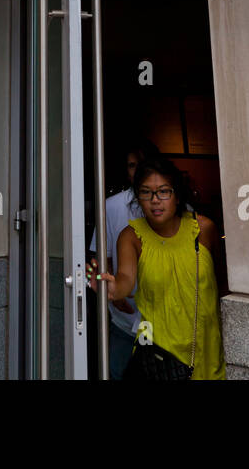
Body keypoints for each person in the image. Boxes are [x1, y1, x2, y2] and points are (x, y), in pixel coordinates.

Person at [90, 155, 226, 380]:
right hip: (156, 356)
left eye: (163, 191)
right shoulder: (131, 236)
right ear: (138, 197)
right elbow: (125, 279)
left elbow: (222, 282)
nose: (155, 200)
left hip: (204, 349)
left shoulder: (204, 229)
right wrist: (113, 288)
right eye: (146, 192)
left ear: (177, 194)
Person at [87, 147, 144, 379]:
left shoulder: (176, 210)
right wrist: (115, 293)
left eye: (142, 162)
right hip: (124, 315)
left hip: (157, 319)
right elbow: (100, 257)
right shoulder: (111, 206)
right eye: (131, 165)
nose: (138, 169)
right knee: (116, 370)